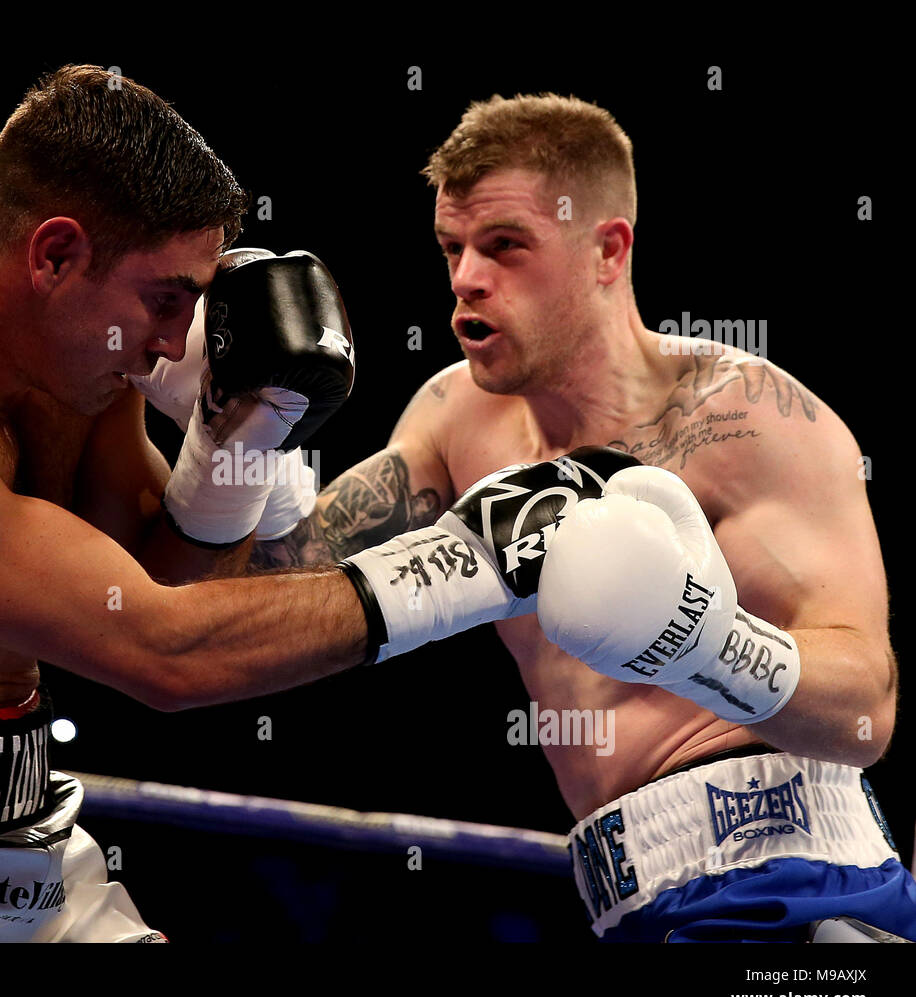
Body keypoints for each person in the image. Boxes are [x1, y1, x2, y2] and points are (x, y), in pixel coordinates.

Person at [0, 67, 628, 943]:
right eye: (167, 297)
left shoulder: (63, 349)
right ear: (53, 256)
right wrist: (467, 566)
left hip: (33, 844)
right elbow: (161, 652)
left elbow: (164, 580)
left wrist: (232, 442)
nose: (178, 341)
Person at [253, 93, 914, 943]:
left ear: (608, 249)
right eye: (451, 249)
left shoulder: (752, 417)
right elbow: (266, 593)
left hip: (798, 878)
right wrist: (234, 437)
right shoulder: (454, 420)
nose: (465, 279)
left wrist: (705, 644)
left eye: (504, 247)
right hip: (626, 896)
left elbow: (868, 710)